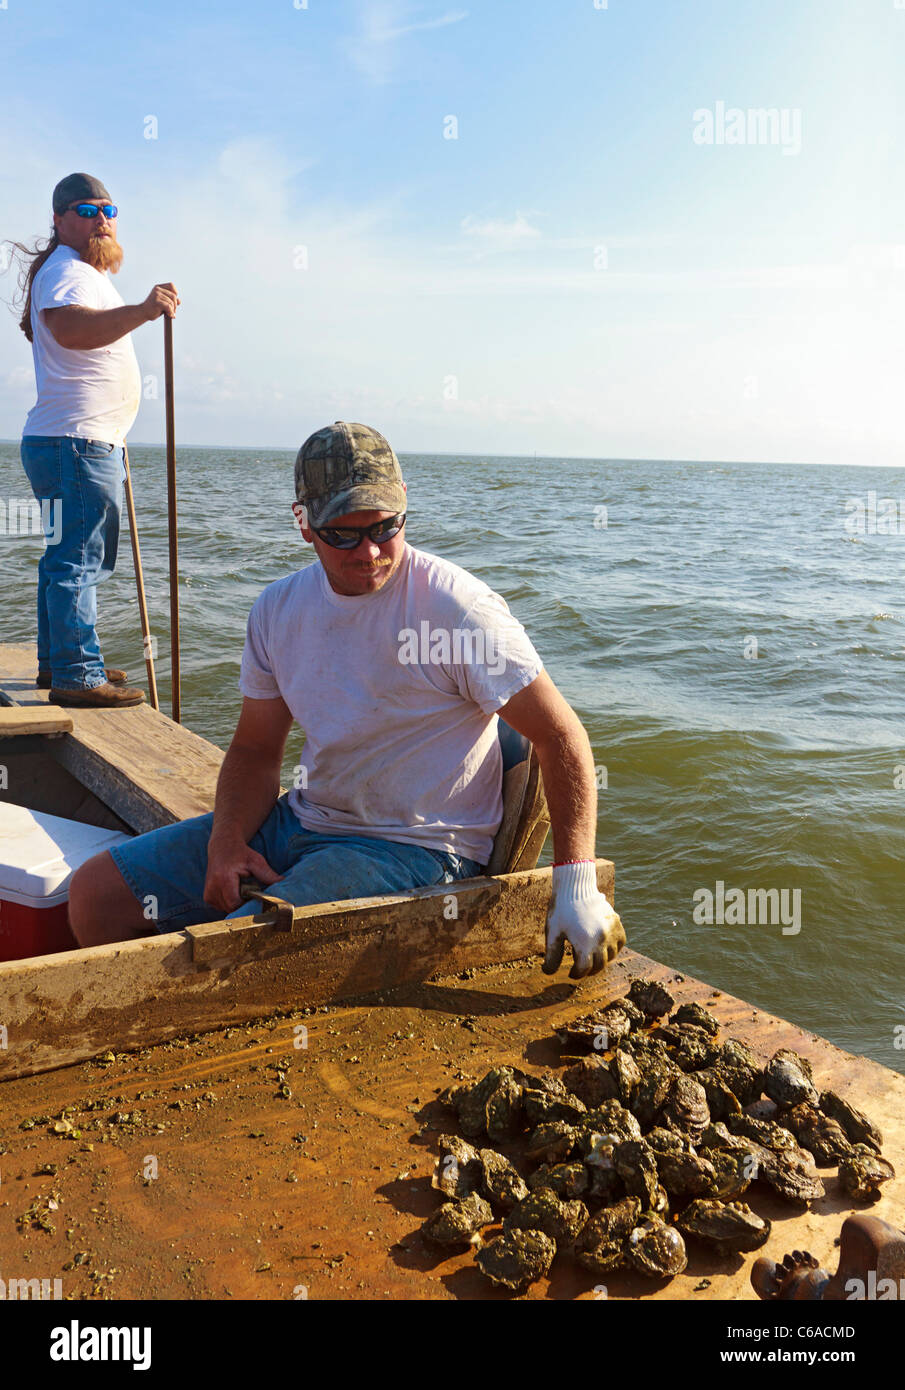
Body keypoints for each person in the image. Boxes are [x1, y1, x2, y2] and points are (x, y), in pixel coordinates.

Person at [68, 422, 626, 978]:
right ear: (304, 523)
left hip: (416, 848)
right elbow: (257, 749)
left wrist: (575, 882)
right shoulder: (277, 610)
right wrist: (227, 842)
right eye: (343, 534)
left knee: (231, 950)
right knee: (95, 894)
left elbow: (560, 735)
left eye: (386, 527)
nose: (369, 551)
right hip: (302, 819)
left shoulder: (459, 610)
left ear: (404, 506)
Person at [13, 171, 180, 707]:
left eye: (108, 209)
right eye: (86, 210)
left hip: (70, 441)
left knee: (64, 556)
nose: (101, 219)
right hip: (77, 444)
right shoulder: (68, 271)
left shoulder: (76, 271)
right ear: (59, 220)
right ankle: (77, 675)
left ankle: (57, 663)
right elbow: (70, 330)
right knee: (78, 560)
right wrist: (143, 311)